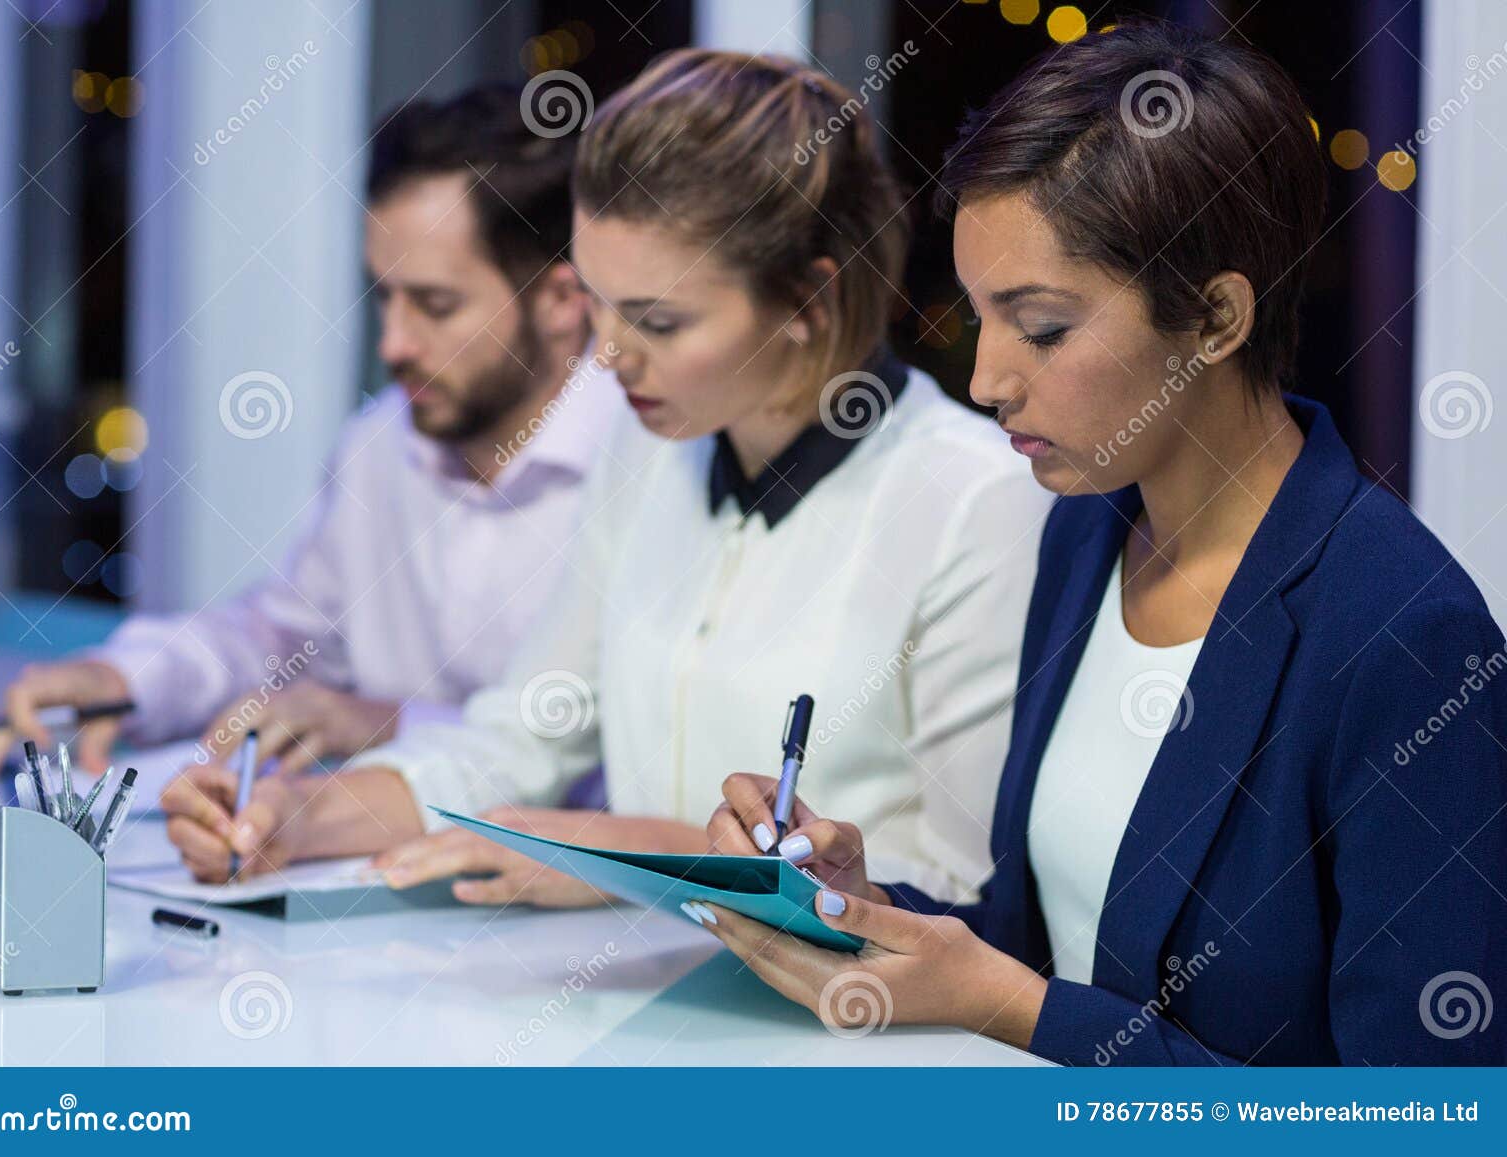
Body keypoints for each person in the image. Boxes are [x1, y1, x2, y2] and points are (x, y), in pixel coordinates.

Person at [698, 21, 1507, 1067]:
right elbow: (1059, 942)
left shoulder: (1405, 635)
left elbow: (1428, 1120)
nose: (985, 379)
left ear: (1214, 318)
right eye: (978, 316)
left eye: (1040, 327)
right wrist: (860, 903)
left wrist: (1015, 1008)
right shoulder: (1086, 531)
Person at [158, 50, 1049, 900]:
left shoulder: (976, 500)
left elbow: (960, 894)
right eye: (598, 303)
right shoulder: (648, 449)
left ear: (807, 303)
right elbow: (518, 739)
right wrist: (295, 816)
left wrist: (626, 853)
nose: (609, 354)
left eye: (657, 321)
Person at [0, 87, 619, 778]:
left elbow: (633, 763)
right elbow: (280, 639)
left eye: (435, 305)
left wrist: (387, 724)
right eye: (385, 297)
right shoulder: (380, 442)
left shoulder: (647, 460)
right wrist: (126, 678)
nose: (394, 344)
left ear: (561, 301)